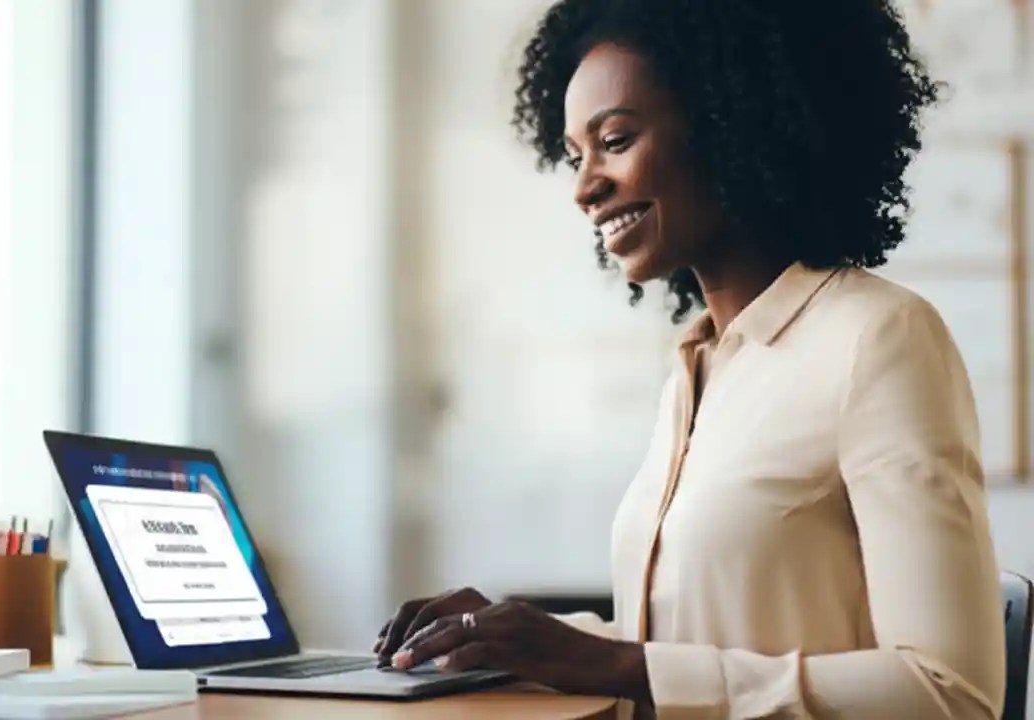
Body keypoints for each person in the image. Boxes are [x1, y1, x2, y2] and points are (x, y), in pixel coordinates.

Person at [372, 1, 1007, 717]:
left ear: (732, 120)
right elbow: (689, 645)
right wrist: (515, 639)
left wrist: (613, 661)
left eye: (615, 140)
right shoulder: (699, 364)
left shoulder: (878, 338)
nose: (585, 188)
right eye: (576, 157)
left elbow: (951, 693)